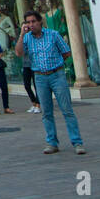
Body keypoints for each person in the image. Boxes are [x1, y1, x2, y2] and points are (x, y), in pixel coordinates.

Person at [15, 10, 85, 155]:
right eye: (28, 22)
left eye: (33, 21)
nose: (31, 25)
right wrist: (21, 34)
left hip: (56, 75)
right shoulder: (27, 38)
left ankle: (77, 142)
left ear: (40, 21)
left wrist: (56, 64)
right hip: (40, 77)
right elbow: (19, 53)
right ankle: (52, 142)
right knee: (46, 112)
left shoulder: (53, 35)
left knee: (67, 110)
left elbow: (66, 52)